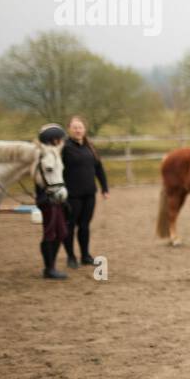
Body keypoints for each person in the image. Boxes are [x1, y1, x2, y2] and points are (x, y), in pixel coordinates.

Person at [61, 115, 108, 268]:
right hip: (71, 195)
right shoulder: (64, 148)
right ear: (69, 129)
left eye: (80, 127)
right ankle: (71, 257)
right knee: (70, 225)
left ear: (84, 129)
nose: (78, 130)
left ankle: (85, 255)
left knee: (85, 225)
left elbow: (99, 168)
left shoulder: (90, 147)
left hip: (89, 194)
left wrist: (104, 187)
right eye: (74, 127)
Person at [36, 124, 70, 280]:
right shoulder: (44, 155)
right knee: (50, 233)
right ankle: (48, 268)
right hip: (47, 198)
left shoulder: (55, 153)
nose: (60, 141)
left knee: (61, 232)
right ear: (51, 140)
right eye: (57, 139)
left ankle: (52, 266)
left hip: (57, 197)